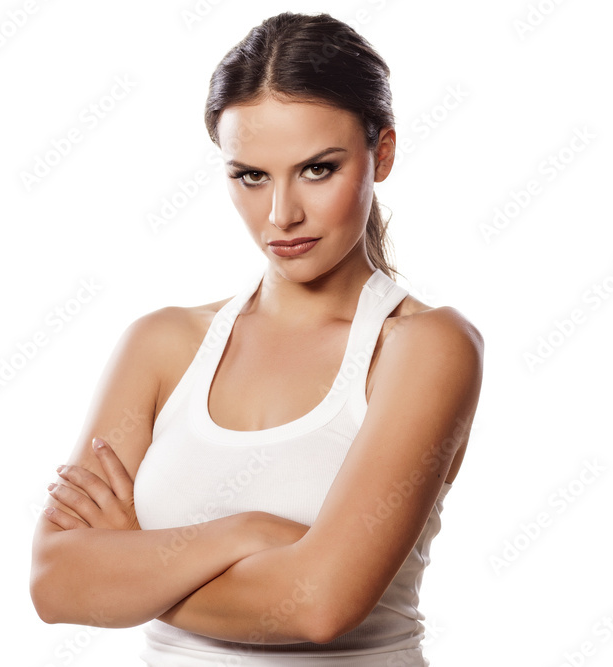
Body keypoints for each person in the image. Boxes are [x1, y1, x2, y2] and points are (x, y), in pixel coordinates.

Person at [29, 11, 483, 666]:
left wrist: (129, 566)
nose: (281, 215)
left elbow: (319, 603)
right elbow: (54, 584)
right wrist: (250, 533)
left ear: (380, 152)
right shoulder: (162, 345)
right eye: (250, 175)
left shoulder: (424, 347)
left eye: (318, 169)